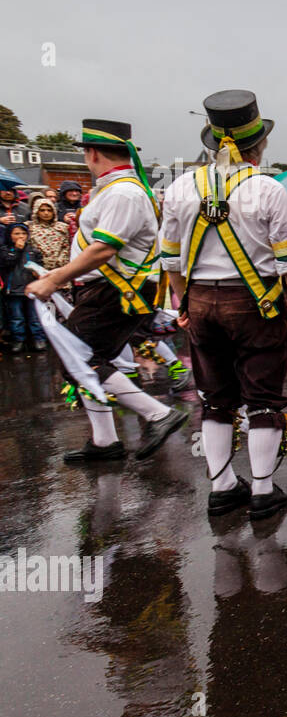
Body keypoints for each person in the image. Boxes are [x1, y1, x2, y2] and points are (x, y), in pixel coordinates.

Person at [157, 90, 287, 518]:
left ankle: (223, 487)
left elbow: (169, 257)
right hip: (257, 303)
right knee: (262, 397)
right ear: (257, 144)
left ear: (212, 143)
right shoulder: (268, 189)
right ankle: (262, 491)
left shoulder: (180, 187)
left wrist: (181, 300)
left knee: (215, 397)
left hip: (200, 300)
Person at [25, 119, 188, 461]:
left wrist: (54, 279)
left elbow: (103, 249)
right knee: (86, 358)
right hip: (109, 289)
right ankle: (104, 442)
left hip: (118, 291)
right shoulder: (115, 190)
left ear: (92, 152)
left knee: (78, 358)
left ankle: (158, 414)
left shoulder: (123, 192)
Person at [1, 224, 46, 352]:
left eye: (23, 233)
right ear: (9, 236)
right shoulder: (5, 250)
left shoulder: (33, 250)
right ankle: (18, 340)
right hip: (13, 289)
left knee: (34, 317)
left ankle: (38, 339)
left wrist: (38, 273)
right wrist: (17, 250)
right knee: (16, 318)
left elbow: (40, 266)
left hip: (31, 289)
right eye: (16, 234)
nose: (21, 236)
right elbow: (7, 263)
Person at [26, 197, 70, 279]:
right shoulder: (29, 227)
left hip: (60, 268)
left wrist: (62, 260)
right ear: (36, 212)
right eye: (42, 210)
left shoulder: (62, 227)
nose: (46, 213)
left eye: (49, 210)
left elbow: (67, 246)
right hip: (38, 269)